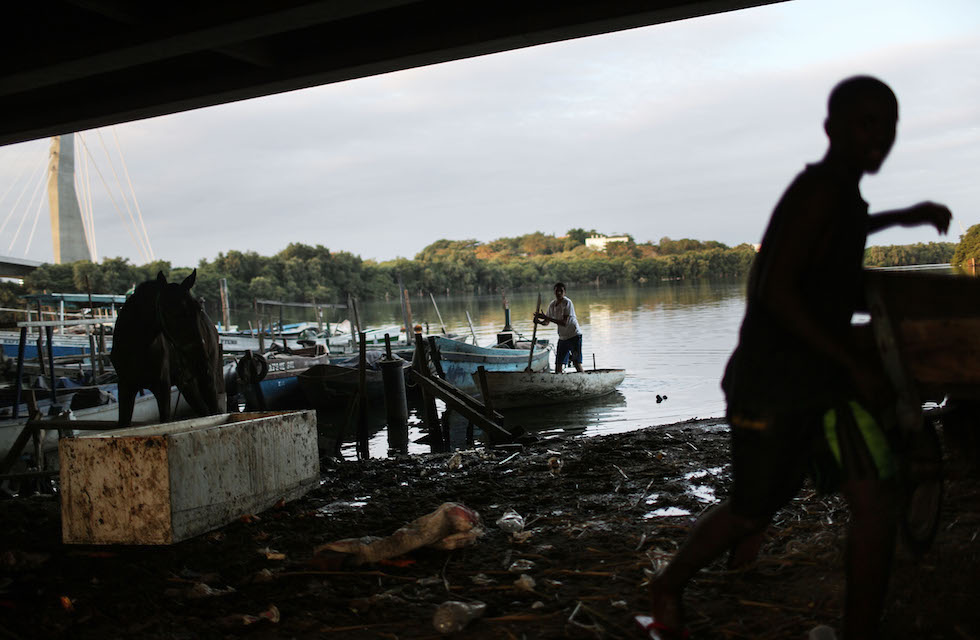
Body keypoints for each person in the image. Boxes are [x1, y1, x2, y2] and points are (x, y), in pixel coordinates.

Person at [641, 76, 951, 640]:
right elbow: (775, 291)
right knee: (752, 510)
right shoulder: (820, 191)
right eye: (866, 122)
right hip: (771, 383)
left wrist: (904, 216)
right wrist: (852, 359)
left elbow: (837, 249)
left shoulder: (843, 194)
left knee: (874, 501)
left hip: (820, 381)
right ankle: (668, 584)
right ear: (832, 127)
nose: (879, 136)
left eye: (889, 124)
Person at [534, 282, 585, 373]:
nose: (559, 293)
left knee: (576, 362)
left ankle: (584, 380)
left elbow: (564, 323)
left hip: (574, 336)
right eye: (557, 291)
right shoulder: (552, 305)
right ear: (554, 292)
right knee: (558, 364)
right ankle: (560, 382)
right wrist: (539, 322)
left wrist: (546, 317)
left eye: (561, 291)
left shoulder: (567, 303)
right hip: (563, 337)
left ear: (564, 292)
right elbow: (547, 322)